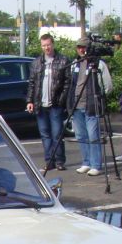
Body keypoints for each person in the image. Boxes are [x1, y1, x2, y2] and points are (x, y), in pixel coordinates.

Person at [67, 39, 112, 176]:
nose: (81, 50)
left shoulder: (98, 64)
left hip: (91, 105)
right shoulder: (75, 63)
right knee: (81, 135)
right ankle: (86, 162)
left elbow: (107, 85)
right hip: (76, 105)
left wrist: (99, 97)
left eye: (84, 47)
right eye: (79, 47)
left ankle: (96, 164)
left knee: (93, 135)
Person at [26, 33, 70, 170]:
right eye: (44, 45)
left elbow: (67, 82)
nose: (46, 48)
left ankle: (60, 161)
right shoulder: (37, 62)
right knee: (45, 135)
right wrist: (30, 101)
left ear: (53, 44)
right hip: (41, 104)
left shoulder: (63, 60)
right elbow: (32, 83)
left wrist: (61, 99)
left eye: (48, 45)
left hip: (55, 104)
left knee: (57, 134)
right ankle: (49, 161)